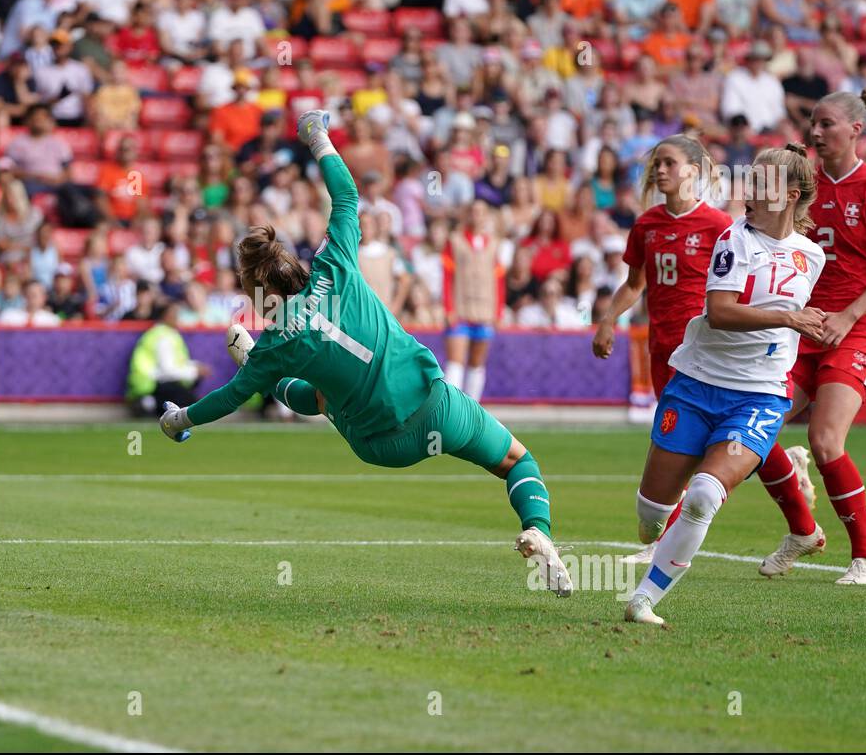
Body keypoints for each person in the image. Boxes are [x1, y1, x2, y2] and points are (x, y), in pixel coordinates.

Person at [159, 112, 573, 596]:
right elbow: (348, 196)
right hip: (434, 408)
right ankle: (538, 531)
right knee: (517, 462)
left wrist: (178, 421)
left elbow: (228, 400)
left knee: (317, 394)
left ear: (255, 293)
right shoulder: (336, 265)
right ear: (290, 261)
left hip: (377, 444)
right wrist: (318, 138)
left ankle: (264, 374)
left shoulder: (276, 343)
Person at [624, 144, 827, 626]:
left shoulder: (811, 256)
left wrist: (813, 326)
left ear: (790, 195)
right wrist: (790, 319)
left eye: (760, 185)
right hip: (696, 384)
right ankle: (655, 529)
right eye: (748, 182)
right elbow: (720, 312)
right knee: (651, 516)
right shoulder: (734, 241)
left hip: (758, 395)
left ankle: (643, 600)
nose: (747, 192)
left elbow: (798, 323)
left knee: (703, 497)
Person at [755, 91, 866, 585]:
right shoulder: (805, 187)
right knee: (752, 431)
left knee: (825, 439)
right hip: (802, 327)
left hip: (855, 328)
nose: (816, 132)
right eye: (812, 123)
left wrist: (848, 315)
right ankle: (803, 528)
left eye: (826, 124)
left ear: (856, 129)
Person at [592, 136, 737, 564]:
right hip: (662, 351)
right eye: (656, 163)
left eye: (669, 163)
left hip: (706, 353)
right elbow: (635, 285)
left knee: (693, 444)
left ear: (693, 170)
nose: (659, 170)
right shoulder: (647, 225)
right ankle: (800, 512)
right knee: (681, 444)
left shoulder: (718, 226)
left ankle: (663, 544)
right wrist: (607, 319)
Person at [443, 200, 504, 401]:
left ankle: (473, 407)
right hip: (460, 308)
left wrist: (498, 311)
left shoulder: (494, 243)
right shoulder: (455, 241)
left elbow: (499, 279)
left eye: (481, 212)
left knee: (477, 363)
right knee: (456, 362)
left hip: (485, 309)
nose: (477, 216)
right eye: (473, 212)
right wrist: (448, 307)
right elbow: (447, 276)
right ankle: (451, 405)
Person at [126, 299, 211, 416]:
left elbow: (178, 362)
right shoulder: (163, 337)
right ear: (165, 316)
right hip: (151, 384)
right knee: (190, 402)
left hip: (154, 381)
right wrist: (194, 371)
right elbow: (167, 371)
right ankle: (150, 402)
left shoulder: (166, 333)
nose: (178, 316)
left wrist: (195, 366)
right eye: (174, 313)